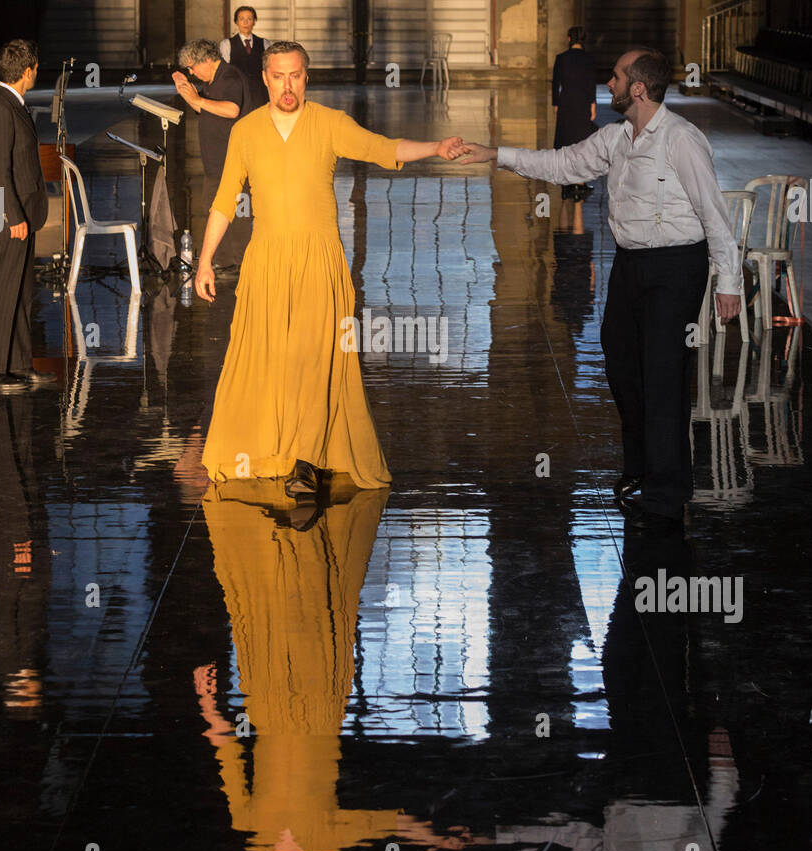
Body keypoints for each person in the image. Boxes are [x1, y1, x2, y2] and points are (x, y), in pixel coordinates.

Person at [459, 48, 743, 529]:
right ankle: (641, 468)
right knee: (622, 364)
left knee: (662, 373)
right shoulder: (615, 137)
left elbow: (714, 214)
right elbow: (563, 165)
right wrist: (495, 154)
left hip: (677, 266)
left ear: (637, 88)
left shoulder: (681, 140)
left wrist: (728, 282)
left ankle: (668, 490)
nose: (606, 85)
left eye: (613, 77)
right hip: (631, 264)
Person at [195, 40, 464, 497]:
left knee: (314, 359)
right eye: (278, 75)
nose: (287, 85)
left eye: (295, 75)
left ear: (307, 76)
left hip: (320, 261)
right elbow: (224, 200)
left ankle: (305, 459)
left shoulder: (328, 124)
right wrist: (203, 262)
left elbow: (382, 148)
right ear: (265, 78)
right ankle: (272, 448)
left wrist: (436, 146)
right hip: (266, 263)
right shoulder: (246, 131)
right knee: (270, 359)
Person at [0, 38, 50, 392]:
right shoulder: (1, 108)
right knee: (3, 289)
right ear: (28, 71)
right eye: (36, 68)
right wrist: (13, 215)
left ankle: (16, 365)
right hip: (6, 214)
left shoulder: (9, 103)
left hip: (14, 211)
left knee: (19, 290)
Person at [172, 38, 251, 273]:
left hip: (233, 161)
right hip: (215, 163)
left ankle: (240, 263)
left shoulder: (230, 77)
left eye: (192, 67)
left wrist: (197, 98)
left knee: (237, 215)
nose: (192, 72)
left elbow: (231, 109)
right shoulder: (214, 81)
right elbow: (204, 108)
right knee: (214, 208)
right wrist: (188, 92)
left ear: (207, 60)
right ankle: (223, 260)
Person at [551, 26, 597, 203]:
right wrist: (592, 105)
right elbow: (591, 83)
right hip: (583, 102)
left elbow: (556, 84)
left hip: (566, 101)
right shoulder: (589, 59)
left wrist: (556, 104)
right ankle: (580, 182)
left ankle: (565, 184)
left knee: (565, 140)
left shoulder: (561, 58)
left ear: (569, 38)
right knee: (581, 142)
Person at [219, 5, 270, 112]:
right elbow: (225, 71)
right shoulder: (227, 44)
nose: (245, 23)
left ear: (254, 21)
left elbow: (268, 69)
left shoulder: (265, 43)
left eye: (249, 19)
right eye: (242, 19)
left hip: (259, 93)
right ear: (236, 22)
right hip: (237, 93)